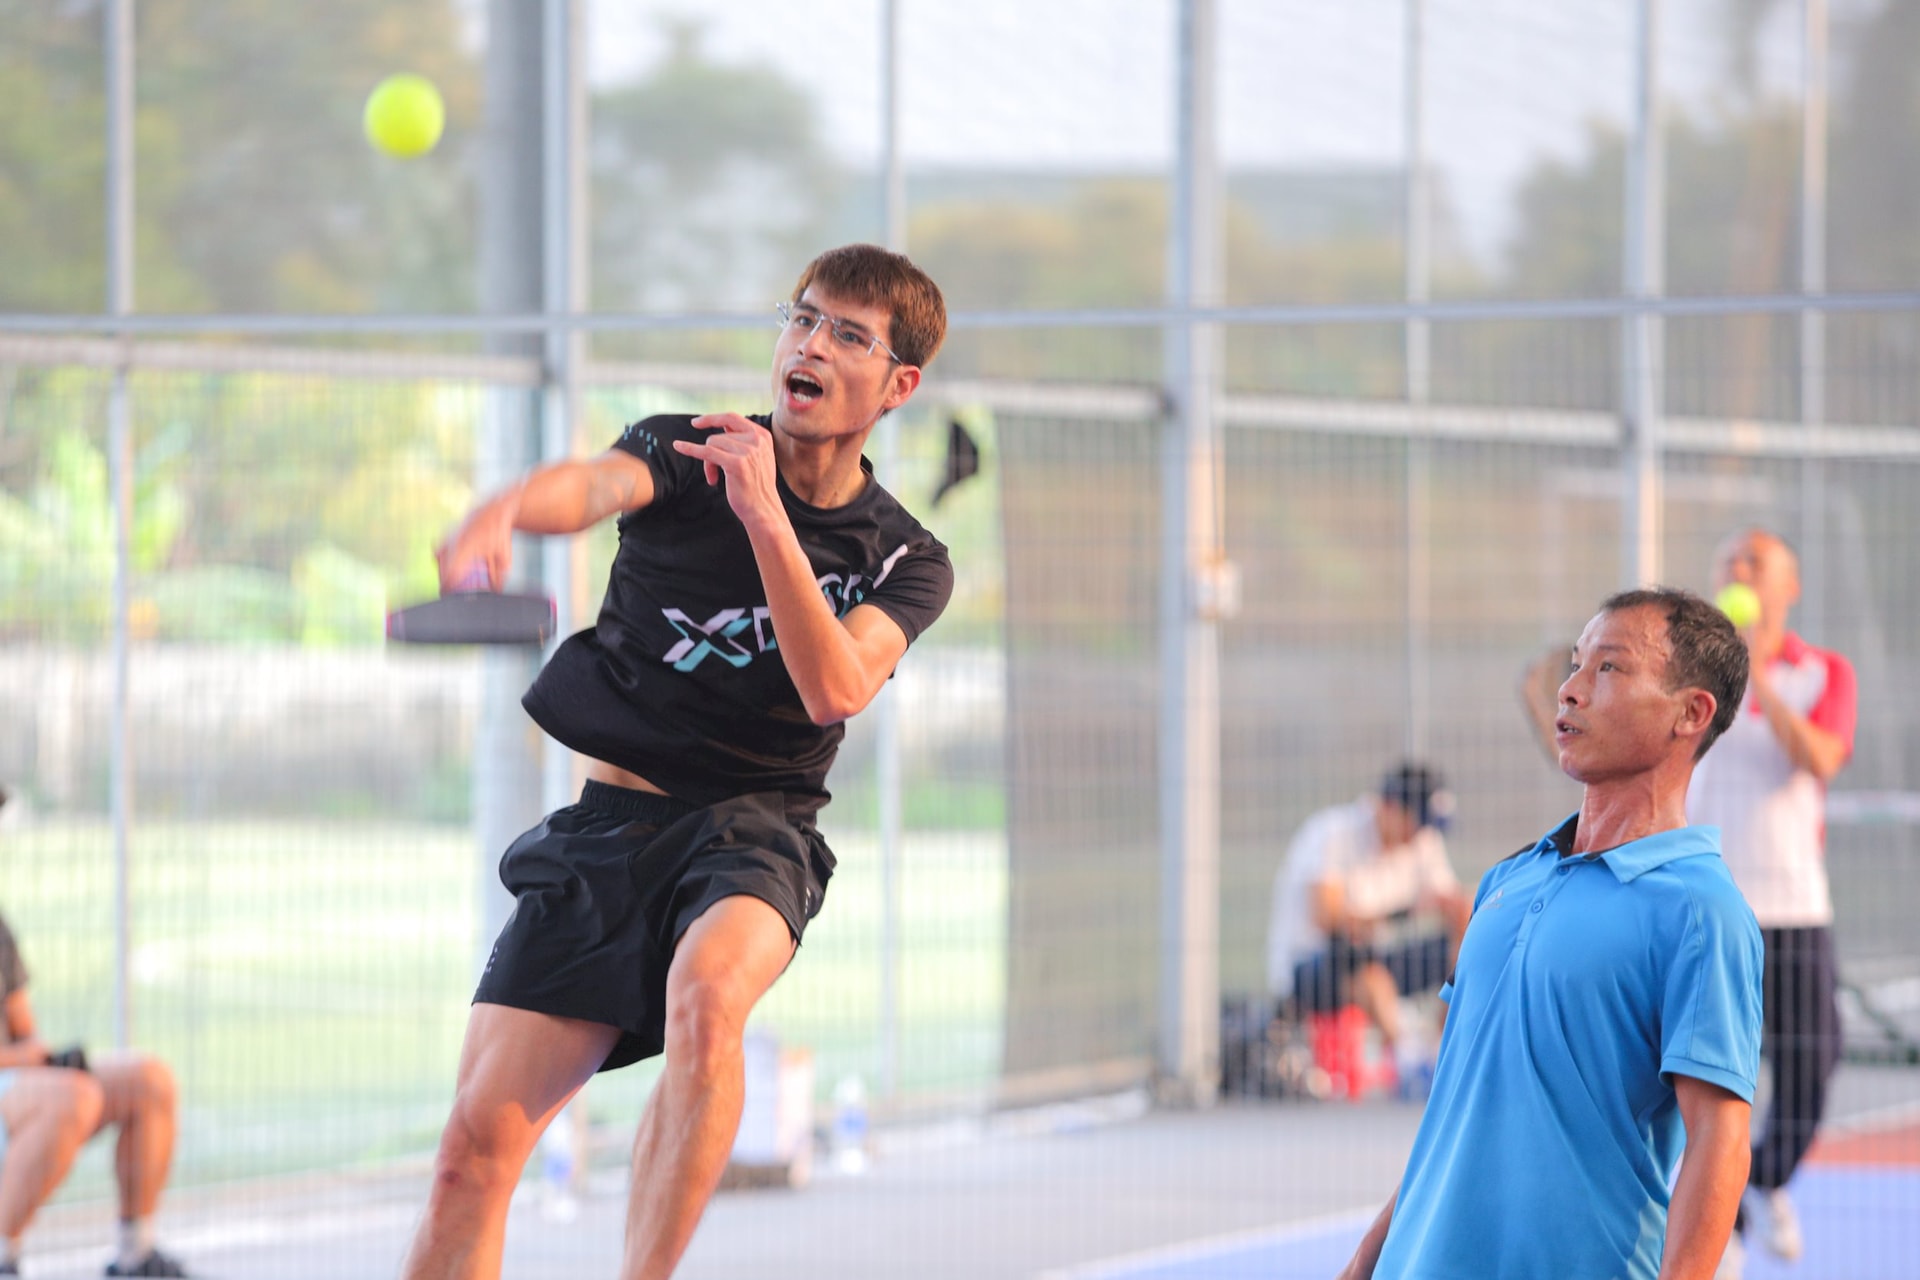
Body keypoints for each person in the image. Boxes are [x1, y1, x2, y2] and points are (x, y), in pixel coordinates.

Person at [400, 244, 952, 1280]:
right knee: (470, 1156)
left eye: (848, 333)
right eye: (802, 318)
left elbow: (835, 683)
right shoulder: (686, 448)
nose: (811, 343)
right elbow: (594, 481)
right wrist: (508, 506)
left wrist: (766, 518)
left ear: (898, 383)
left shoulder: (904, 557)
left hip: (754, 830)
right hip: (608, 831)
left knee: (708, 999)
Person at [1338, 588, 1764, 1280]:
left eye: (1609, 669)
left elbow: (1721, 1140)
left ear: (1692, 712)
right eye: (1575, 664)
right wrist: (1365, 1261)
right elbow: (1460, 1107)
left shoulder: (1700, 910)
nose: (1568, 692)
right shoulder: (1506, 881)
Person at [1688, 529, 1856, 1280]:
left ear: (1788, 587)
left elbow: (1820, 759)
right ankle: (1706, 1231)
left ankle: (1761, 1183)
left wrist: (1756, 672)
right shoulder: (1692, 677)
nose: (1740, 573)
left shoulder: (1823, 672)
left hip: (1794, 908)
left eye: (1754, 564)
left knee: (1814, 1064)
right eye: (1730, 564)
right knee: (1707, 1077)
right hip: (1707, 908)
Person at [0, 790, 189, 1278]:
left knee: (149, 1080)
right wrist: (25, 1062)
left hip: (16, 1089)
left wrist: (42, 1058)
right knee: (73, 1099)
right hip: (15, 1085)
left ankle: (135, 1256)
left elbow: (25, 1033)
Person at [1265, 764, 1468, 1080]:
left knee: (1470, 940)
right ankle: (1408, 1059)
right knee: (1359, 959)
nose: (1420, 835)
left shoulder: (1423, 843)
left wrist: (1461, 918)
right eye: (1415, 824)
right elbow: (1328, 917)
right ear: (1389, 808)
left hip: (1379, 959)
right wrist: (1405, 911)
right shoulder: (1332, 833)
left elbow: (1456, 904)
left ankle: (1443, 1048)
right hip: (1313, 967)